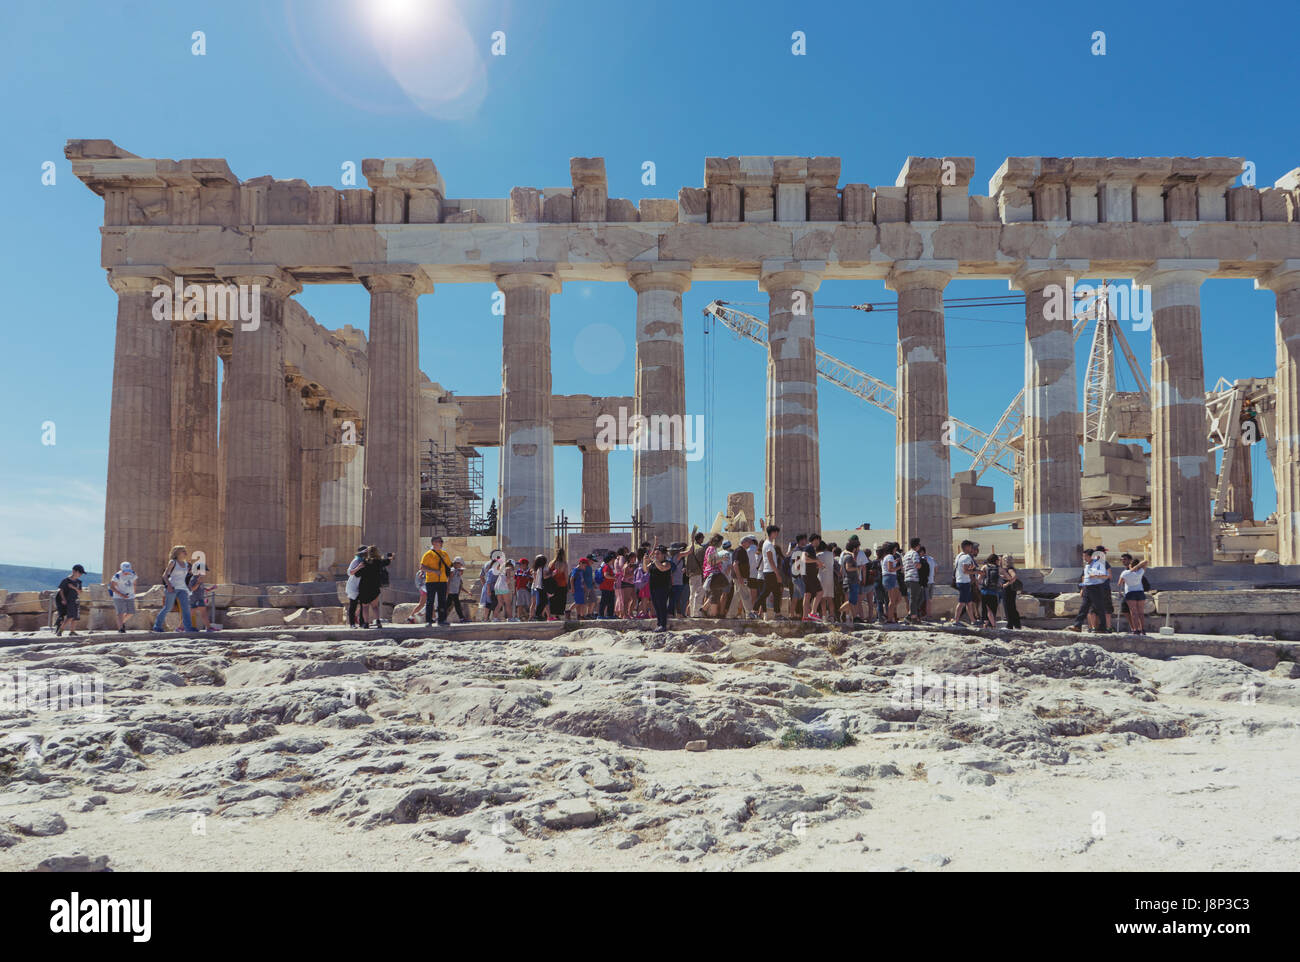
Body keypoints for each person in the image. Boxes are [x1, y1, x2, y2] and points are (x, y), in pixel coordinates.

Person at [1066, 546, 1111, 633]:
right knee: (1084, 608)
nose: (1084, 558)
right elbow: (1085, 577)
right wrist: (1082, 588)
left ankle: (1102, 627)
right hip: (1087, 588)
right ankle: (1077, 626)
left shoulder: (1098, 564)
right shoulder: (1087, 565)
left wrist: (1095, 576)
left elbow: (1106, 576)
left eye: (1085, 556)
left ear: (1091, 556)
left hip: (1096, 588)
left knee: (1100, 608)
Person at [153, 546, 194, 633]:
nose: (186, 553)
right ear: (178, 553)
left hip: (183, 588)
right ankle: (157, 626)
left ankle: (188, 627)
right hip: (173, 587)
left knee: (186, 608)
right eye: (183, 551)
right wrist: (169, 586)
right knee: (168, 607)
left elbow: (187, 577)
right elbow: (164, 576)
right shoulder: (173, 562)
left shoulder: (186, 564)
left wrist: (189, 587)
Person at [420, 536, 453, 627]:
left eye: (442, 541)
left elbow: (450, 565)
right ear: (433, 543)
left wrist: (453, 569)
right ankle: (428, 620)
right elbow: (422, 567)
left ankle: (442, 620)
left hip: (442, 581)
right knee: (430, 601)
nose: (441, 543)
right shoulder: (428, 554)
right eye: (439, 541)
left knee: (442, 601)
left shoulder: (444, 554)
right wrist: (434, 571)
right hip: (431, 581)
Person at [356, 546, 391, 628]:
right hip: (375, 587)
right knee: (375, 606)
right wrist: (390, 557)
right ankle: (378, 621)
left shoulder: (364, 562)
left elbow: (357, 574)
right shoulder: (379, 562)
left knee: (365, 607)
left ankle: (366, 623)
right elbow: (387, 562)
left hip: (364, 587)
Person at [755, 524, 784, 619]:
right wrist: (777, 574)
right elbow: (771, 560)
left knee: (775, 593)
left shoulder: (768, 544)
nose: (777, 534)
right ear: (773, 533)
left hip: (769, 571)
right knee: (766, 593)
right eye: (776, 533)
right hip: (770, 572)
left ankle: (777, 613)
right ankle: (754, 610)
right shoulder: (768, 544)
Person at [1115, 554, 1149, 634]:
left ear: (1130, 565)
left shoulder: (1125, 573)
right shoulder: (1140, 572)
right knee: (1141, 612)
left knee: (1133, 613)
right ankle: (1142, 629)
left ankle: (1135, 629)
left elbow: (1119, 584)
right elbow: (1146, 561)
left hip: (1130, 593)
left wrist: (1120, 593)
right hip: (1140, 592)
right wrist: (1136, 567)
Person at [646, 544, 674, 631]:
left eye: (657, 554)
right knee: (656, 606)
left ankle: (663, 625)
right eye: (655, 554)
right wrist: (645, 560)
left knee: (662, 605)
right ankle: (659, 624)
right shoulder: (654, 563)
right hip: (653, 587)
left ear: (663, 555)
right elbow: (645, 569)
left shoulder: (667, 563)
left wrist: (655, 560)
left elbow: (662, 568)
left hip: (663, 587)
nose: (655, 555)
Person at [54, 564, 86, 636]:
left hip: (75, 600)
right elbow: (61, 590)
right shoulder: (66, 580)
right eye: (79, 572)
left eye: (81, 573)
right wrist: (63, 599)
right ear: (74, 571)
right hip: (68, 601)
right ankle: (60, 630)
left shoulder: (79, 582)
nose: (80, 574)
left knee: (75, 617)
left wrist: (74, 587)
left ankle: (72, 631)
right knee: (70, 616)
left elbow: (80, 592)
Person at [953, 540, 979, 625]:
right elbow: (965, 571)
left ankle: (973, 620)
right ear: (967, 547)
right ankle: (956, 621)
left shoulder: (959, 556)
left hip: (960, 580)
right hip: (964, 582)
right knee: (962, 603)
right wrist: (978, 572)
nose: (972, 549)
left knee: (969, 602)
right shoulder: (967, 557)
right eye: (971, 547)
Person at [109, 561, 137, 633]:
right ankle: (121, 628)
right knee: (120, 612)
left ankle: (121, 622)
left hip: (130, 596)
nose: (127, 572)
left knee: (131, 612)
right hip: (119, 596)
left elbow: (134, 584)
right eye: (125, 571)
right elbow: (112, 587)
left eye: (128, 571)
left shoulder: (133, 573)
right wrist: (121, 595)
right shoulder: (117, 576)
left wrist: (134, 594)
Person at [902, 537, 924, 623]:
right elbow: (917, 565)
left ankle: (910, 614)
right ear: (917, 545)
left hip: (907, 577)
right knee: (914, 598)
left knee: (916, 597)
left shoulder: (906, 554)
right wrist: (923, 565)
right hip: (914, 578)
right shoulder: (914, 554)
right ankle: (913, 617)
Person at [188, 562, 215, 631]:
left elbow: (200, 588)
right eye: (204, 570)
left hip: (198, 598)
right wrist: (198, 582)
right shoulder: (194, 578)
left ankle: (180, 627)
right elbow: (192, 589)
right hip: (196, 599)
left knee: (190, 614)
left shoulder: (199, 578)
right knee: (203, 614)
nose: (205, 572)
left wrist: (209, 589)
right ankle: (209, 628)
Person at [879, 542, 902, 623]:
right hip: (889, 578)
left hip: (891, 578)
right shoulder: (889, 556)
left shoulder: (888, 557)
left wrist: (895, 562)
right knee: (892, 600)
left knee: (898, 598)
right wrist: (900, 566)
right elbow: (890, 569)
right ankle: (889, 619)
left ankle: (888, 614)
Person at [979, 553, 1003, 628]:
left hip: (984, 591)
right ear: (996, 560)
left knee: (985, 609)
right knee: (993, 609)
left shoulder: (984, 567)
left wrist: (983, 583)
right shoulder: (998, 568)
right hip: (994, 592)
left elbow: (979, 579)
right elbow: (1007, 577)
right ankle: (992, 625)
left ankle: (987, 625)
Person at [685, 531, 705, 617]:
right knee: (699, 593)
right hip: (698, 573)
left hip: (690, 573)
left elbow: (686, 562)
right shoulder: (701, 548)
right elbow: (703, 562)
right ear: (700, 539)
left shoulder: (688, 548)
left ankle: (692, 613)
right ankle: (697, 613)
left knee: (692, 594)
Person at [346, 547, 366, 627]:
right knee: (353, 605)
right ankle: (352, 623)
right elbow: (349, 572)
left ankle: (362, 623)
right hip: (353, 585)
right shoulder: (356, 560)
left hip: (362, 585)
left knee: (363, 605)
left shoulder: (367, 561)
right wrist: (358, 567)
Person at [839, 545, 860, 622]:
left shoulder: (846, 556)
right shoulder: (849, 557)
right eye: (858, 548)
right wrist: (857, 568)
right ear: (854, 548)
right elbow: (848, 568)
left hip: (850, 581)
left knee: (853, 601)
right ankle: (839, 610)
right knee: (852, 601)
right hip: (851, 581)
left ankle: (855, 617)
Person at [547, 549, 568, 620]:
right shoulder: (564, 563)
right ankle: (558, 615)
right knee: (561, 600)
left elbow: (548, 573)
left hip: (553, 585)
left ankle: (553, 615)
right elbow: (566, 575)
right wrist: (568, 585)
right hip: (562, 584)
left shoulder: (551, 563)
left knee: (553, 600)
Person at [445, 557, 467, 622]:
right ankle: (461, 618)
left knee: (448, 604)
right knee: (457, 604)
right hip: (452, 591)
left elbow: (460, 574)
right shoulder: (452, 570)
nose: (461, 566)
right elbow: (449, 580)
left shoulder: (458, 570)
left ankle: (441, 616)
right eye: (460, 564)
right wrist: (447, 589)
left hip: (455, 591)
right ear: (456, 563)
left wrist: (461, 570)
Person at [1002, 560, 1023, 629]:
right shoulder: (1009, 569)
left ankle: (1010, 624)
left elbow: (1014, 577)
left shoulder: (1010, 569)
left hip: (1008, 590)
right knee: (1011, 607)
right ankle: (1016, 624)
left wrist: (1006, 584)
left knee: (1008, 607)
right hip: (1011, 590)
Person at [598, 552, 617, 619]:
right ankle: (600, 615)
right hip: (605, 587)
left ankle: (610, 615)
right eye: (613, 559)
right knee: (604, 601)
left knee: (611, 602)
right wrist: (614, 578)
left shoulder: (609, 567)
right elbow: (606, 575)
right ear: (610, 560)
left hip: (610, 587)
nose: (614, 560)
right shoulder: (606, 567)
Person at [917, 546, 933, 620]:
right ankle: (928, 614)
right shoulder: (931, 558)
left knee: (924, 599)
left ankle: (925, 614)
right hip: (931, 581)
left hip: (925, 582)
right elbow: (936, 569)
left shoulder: (922, 559)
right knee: (928, 599)